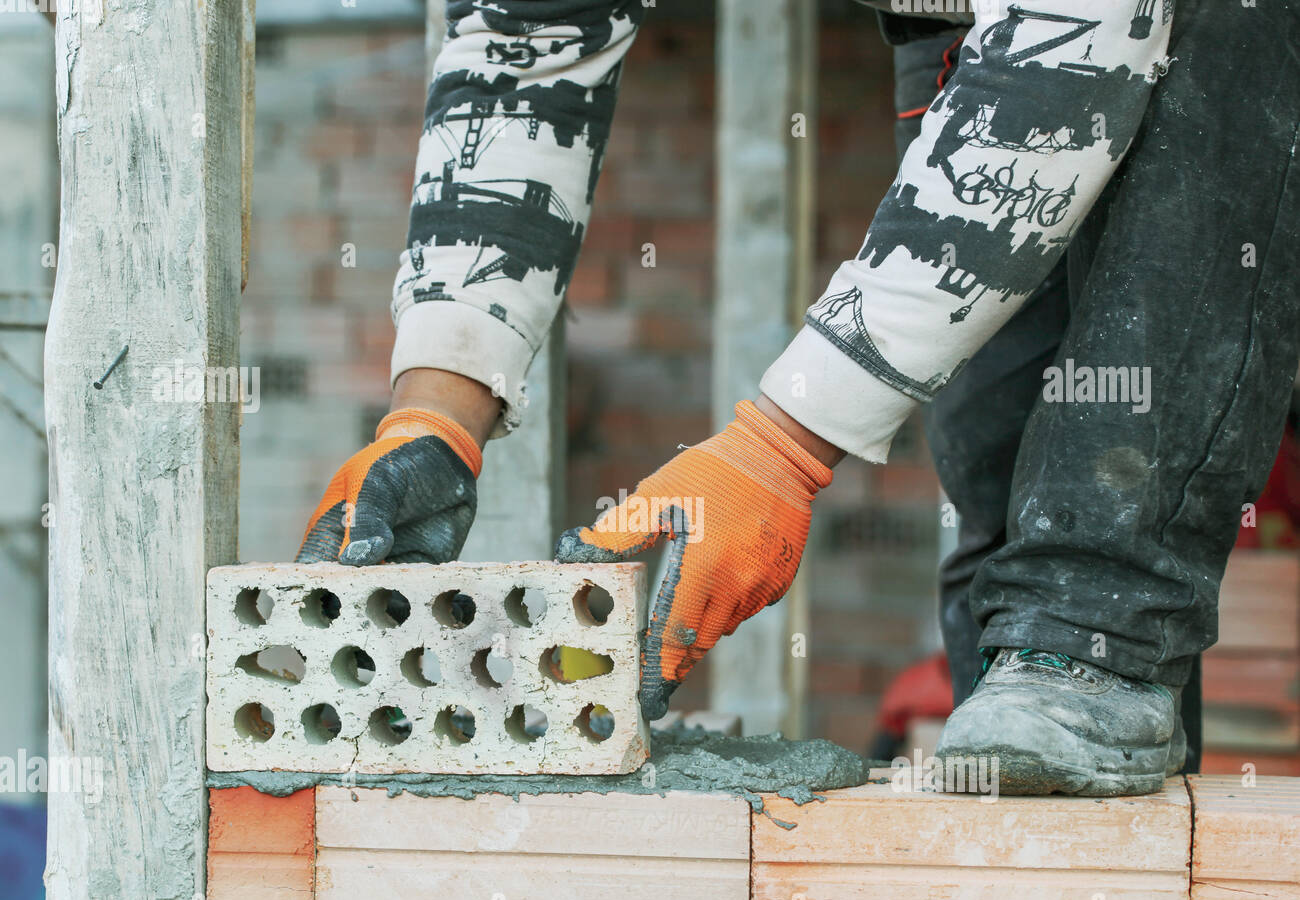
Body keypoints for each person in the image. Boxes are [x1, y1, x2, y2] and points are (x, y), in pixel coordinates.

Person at [297, 1, 1300, 796]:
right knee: (1001, 554)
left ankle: (1097, 643)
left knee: (1074, 619)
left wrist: (778, 450)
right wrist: (437, 407)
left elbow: (1082, 29)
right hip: (972, 21)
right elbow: (527, 46)